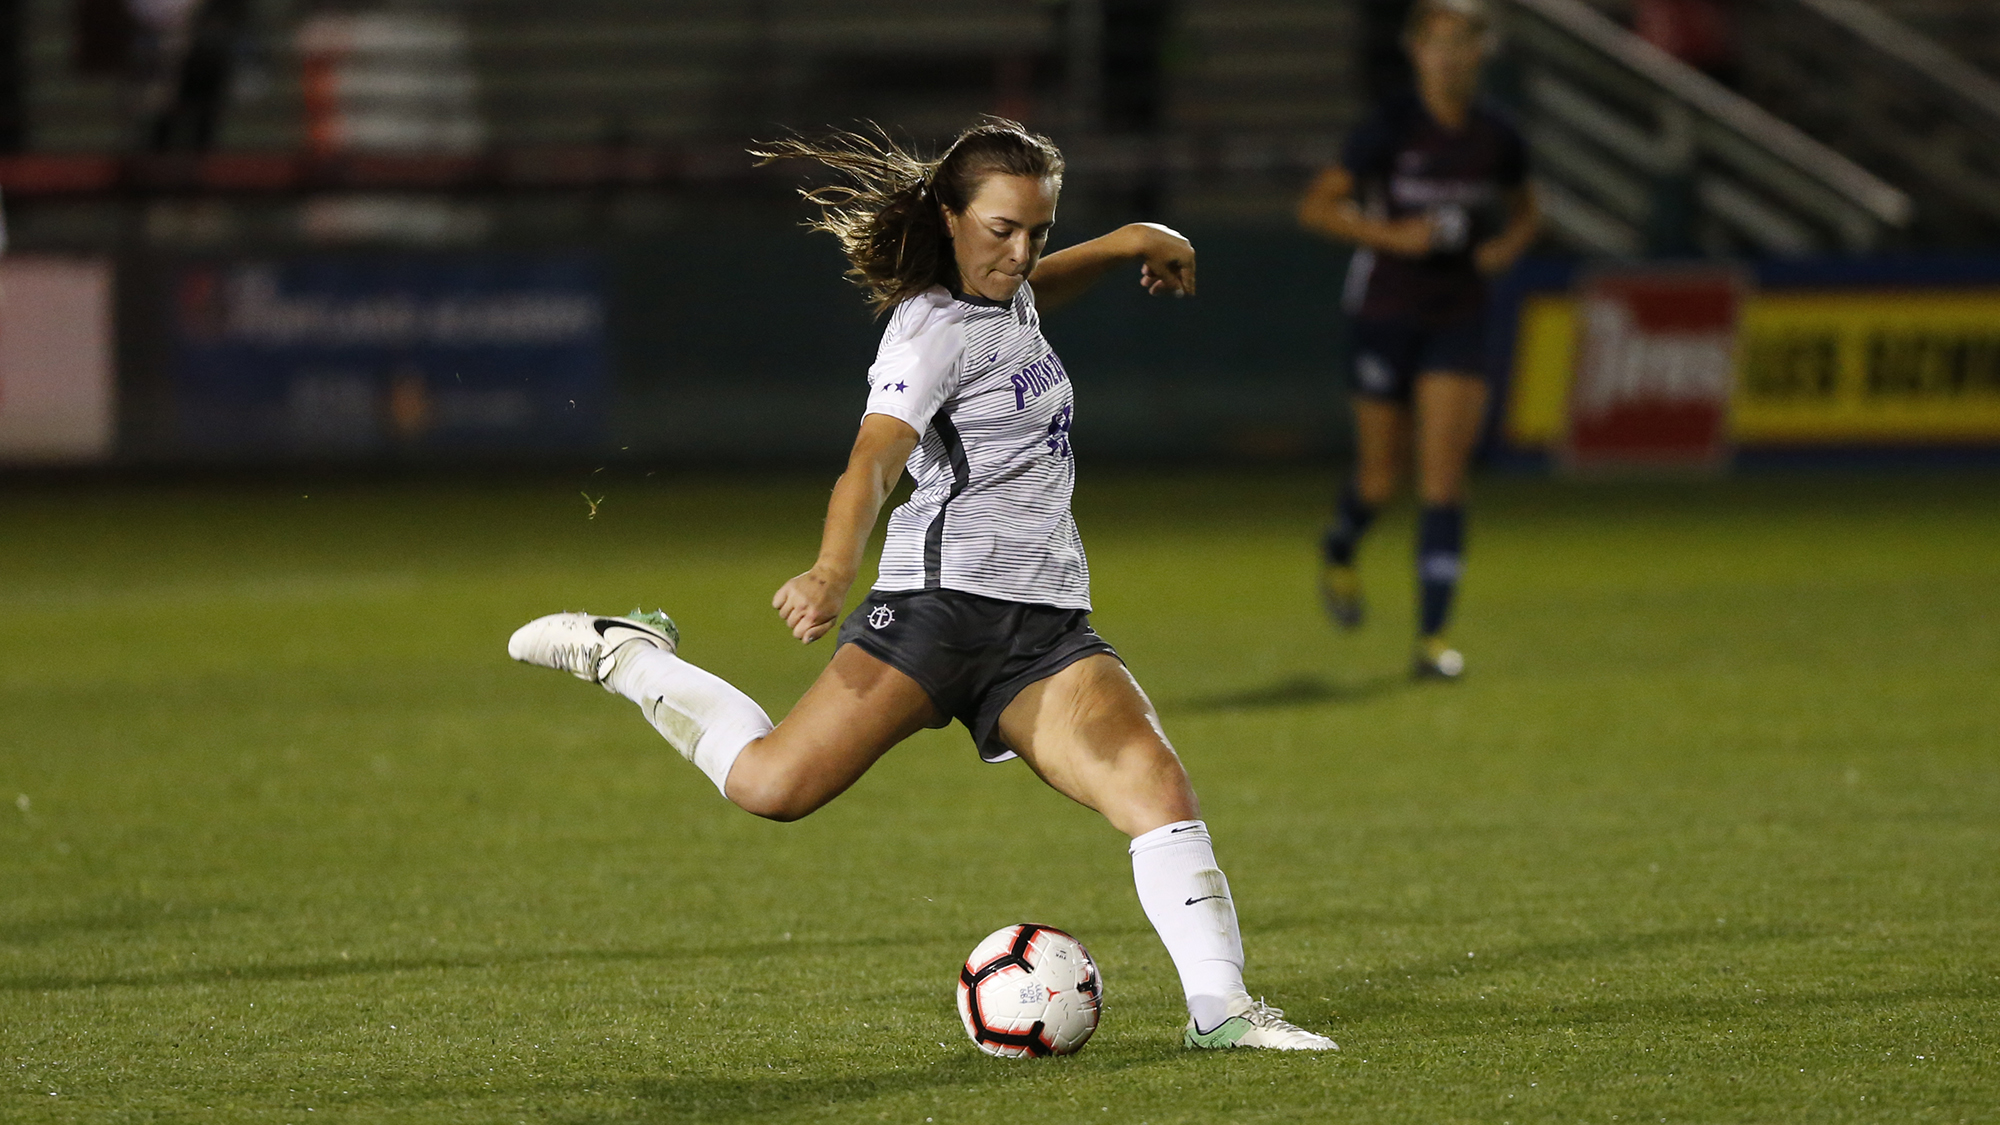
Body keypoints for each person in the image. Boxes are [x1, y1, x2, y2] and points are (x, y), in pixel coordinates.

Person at [507, 120, 1336, 1052]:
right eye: (1000, 230)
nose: (1021, 254)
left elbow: (1037, 289)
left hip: (1044, 627)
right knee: (771, 785)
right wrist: (830, 570)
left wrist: (1132, 242)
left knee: (1156, 786)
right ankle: (630, 654)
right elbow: (871, 461)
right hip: (936, 614)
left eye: (1039, 231)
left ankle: (1220, 1011)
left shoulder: (1007, 293)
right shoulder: (929, 328)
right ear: (948, 219)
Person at [1297, 0, 1538, 679]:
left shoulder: (1497, 134)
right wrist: (1391, 236)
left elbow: (1527, 211)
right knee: (1380, 476)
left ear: (1481, 51)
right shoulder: (1391, 127)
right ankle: (1341, 548)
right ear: (1416, 50)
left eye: (1463, 42)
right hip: (1384, 312)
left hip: (1457, 315)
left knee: (1442, 479)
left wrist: (1503, 251)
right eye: (1439, 43)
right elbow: (1317, 206)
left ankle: (1432, 641)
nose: (1451, 56)